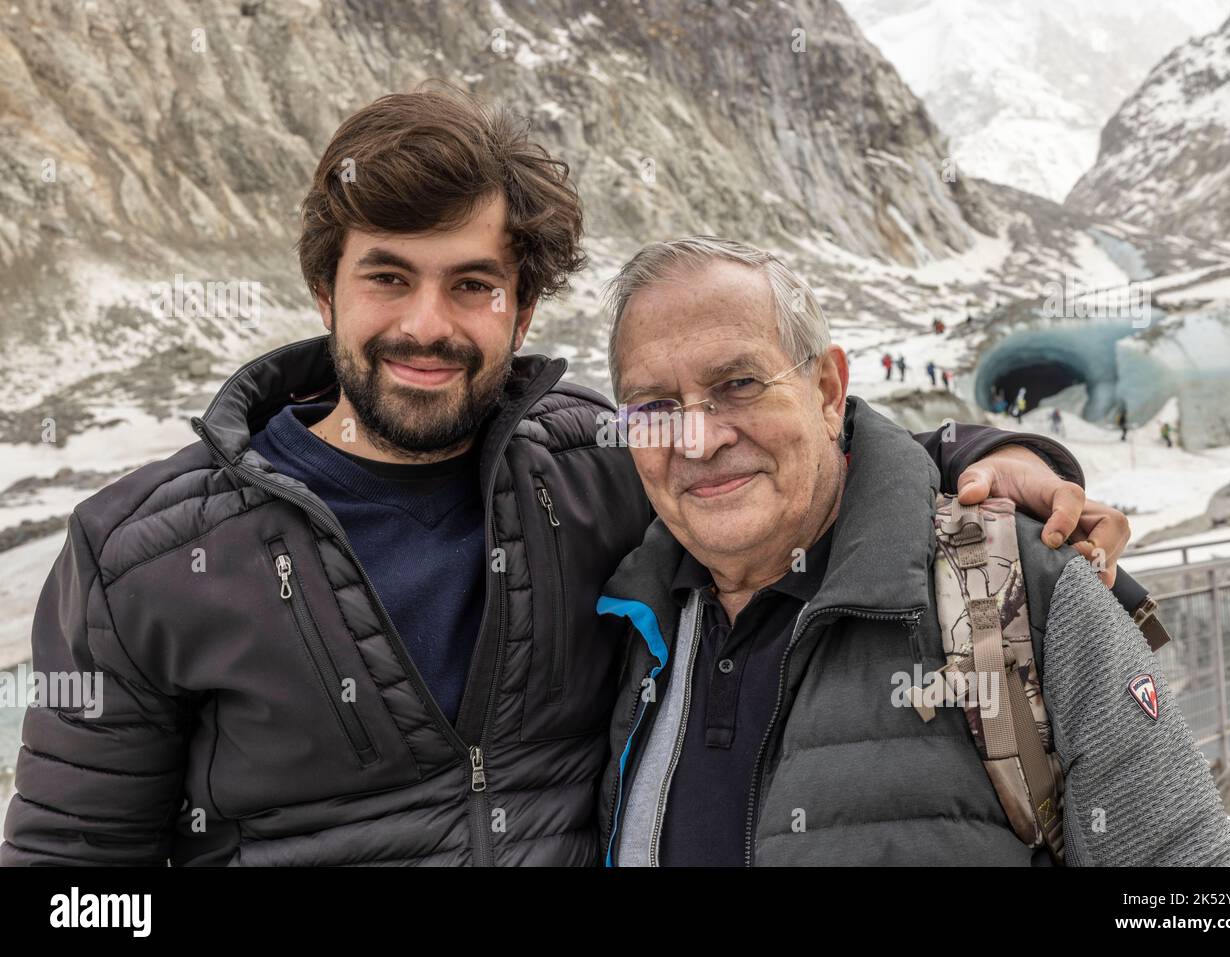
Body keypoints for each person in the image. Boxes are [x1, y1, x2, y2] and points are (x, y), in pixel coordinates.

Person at [1, 90, 1126, 869]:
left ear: (523, 307)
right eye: (387, 277)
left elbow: (775, 446)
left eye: (473, 285)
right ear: (324, 292)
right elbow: (74, 874)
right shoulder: (138, 557)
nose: (426, 325)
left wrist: (990, 457)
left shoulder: (596, 466)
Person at [595, 237, 1230, 867]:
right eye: (655, 407)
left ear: (826, 390)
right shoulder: (615, 613)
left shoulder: (1023, 590)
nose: (698, 439)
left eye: (738, 383)